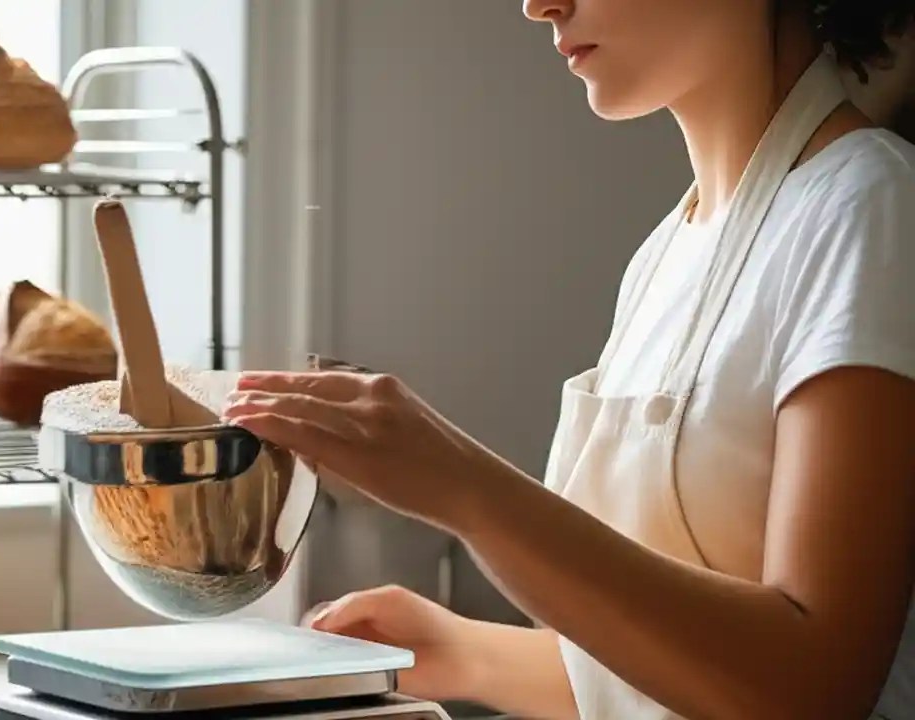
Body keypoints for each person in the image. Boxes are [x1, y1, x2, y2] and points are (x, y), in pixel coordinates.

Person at [223, 2, 915, 719]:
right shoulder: (665, 255)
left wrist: (467, 490)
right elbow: (653, 676)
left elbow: (817, 687)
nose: (538, 3)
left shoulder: (869, 208)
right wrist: (465, 651)